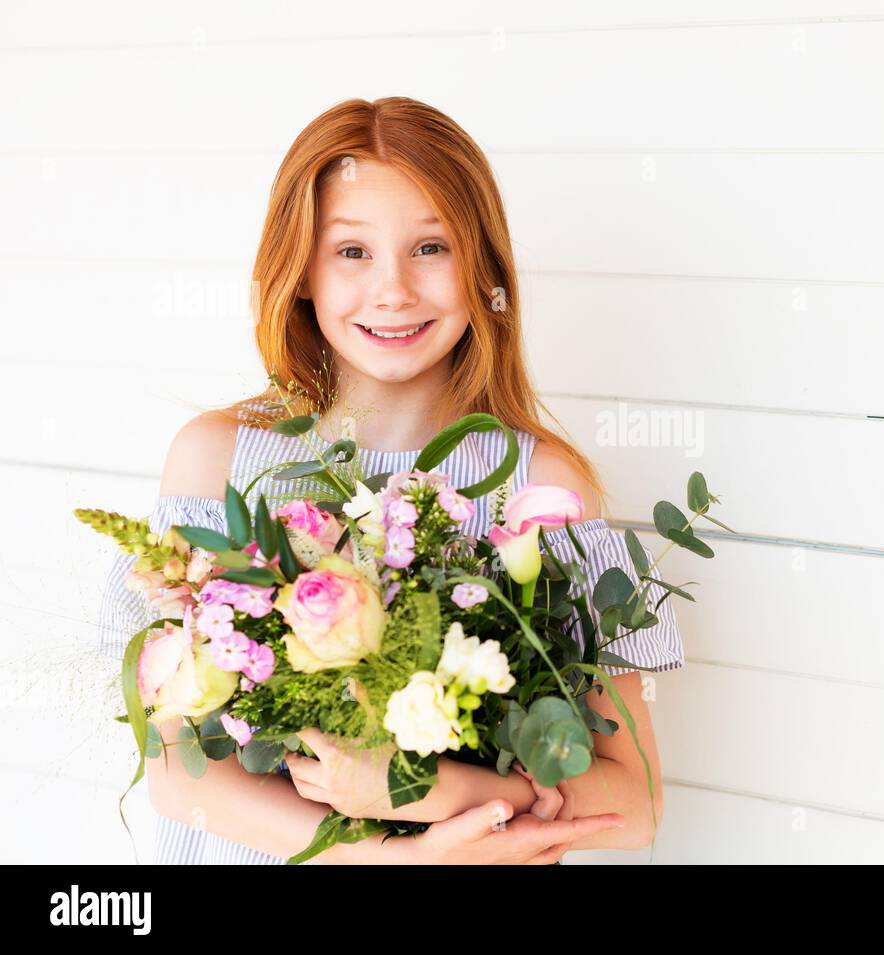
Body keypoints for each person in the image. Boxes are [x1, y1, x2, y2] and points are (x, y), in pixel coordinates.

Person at [95, 96, 685, 864]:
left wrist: (425, 788)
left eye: (431, 247)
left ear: (482, 267)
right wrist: (390, 855)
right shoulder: (218, 461)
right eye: (351, 252)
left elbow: (633, 805)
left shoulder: (537, 485)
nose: (395, 289)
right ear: (300, 269)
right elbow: (176, 773)